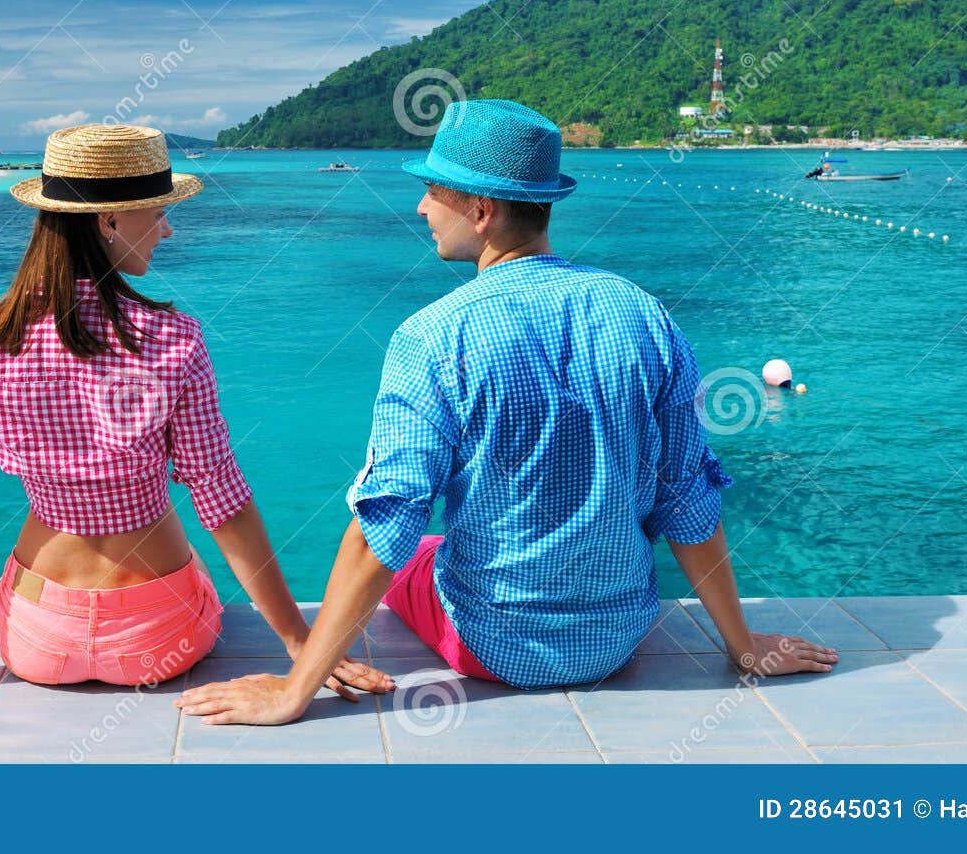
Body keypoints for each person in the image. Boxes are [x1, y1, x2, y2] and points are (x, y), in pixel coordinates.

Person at [178, 99, 839, 726]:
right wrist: (742, 645)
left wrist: (295, 688)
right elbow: (688, 496)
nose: (420, 206)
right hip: (619, 638)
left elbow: (385, 526)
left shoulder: (431, 337)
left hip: (493, 648)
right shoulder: (646, 314)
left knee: (416, 550)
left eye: (433, 191)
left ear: (481, 209)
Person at [0, 123, 390, 718]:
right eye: (158, 212)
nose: (167, 228)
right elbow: (221, 500)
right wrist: (298, 642)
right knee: (195, 555)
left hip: (37, 638)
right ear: (109, 220)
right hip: (160, 634)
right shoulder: (174, 340)